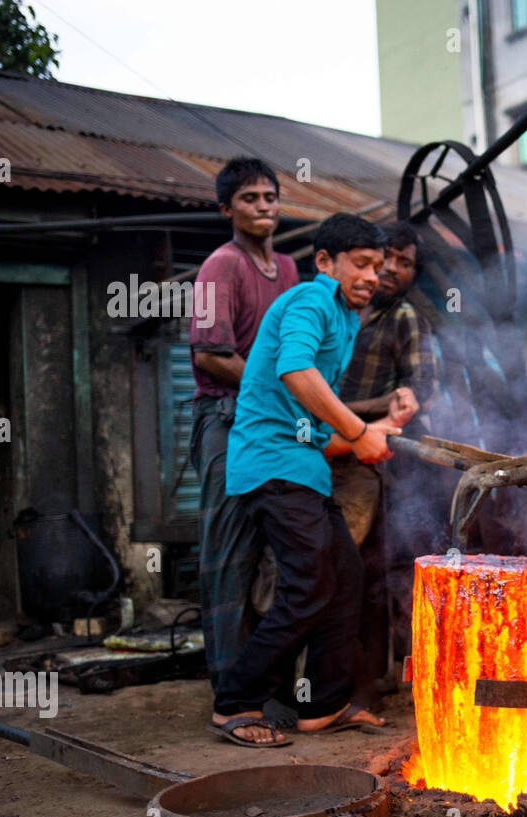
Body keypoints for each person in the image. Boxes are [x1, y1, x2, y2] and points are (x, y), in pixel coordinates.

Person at [208, 213, 399, 747]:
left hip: (303, 465)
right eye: (359, 263)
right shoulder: (311, 301)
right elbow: (295, 371)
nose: (371, 275)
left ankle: (323, 704)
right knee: (310, 583)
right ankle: (236, 703)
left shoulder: (347, 320)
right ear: (324, 263)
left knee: (345, 573)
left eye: (377, 266)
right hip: (271, 465)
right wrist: (361, 428)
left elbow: (315, 423)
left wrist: (373, 433)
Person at [189, 158, 299, 687]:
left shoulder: (292, 271)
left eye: (270, 196)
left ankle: (268, 686)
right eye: (250, 198)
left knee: (278, 554)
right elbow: (211, 355)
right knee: (229, 554)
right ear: (226, 208)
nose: (263, 206)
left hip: (275, 424)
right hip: (226, 419)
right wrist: (279, 390)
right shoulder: (221, 265)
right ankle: (229, 692)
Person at [332, 221, 435, 708]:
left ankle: (369, 683)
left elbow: (420, 391)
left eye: (404, 262)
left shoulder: (406, 319)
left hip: (372, 460)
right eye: (383, 258)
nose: (390, 270)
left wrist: (395, 408)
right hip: (313, 450)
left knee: (370, 568)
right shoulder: (333, 309)